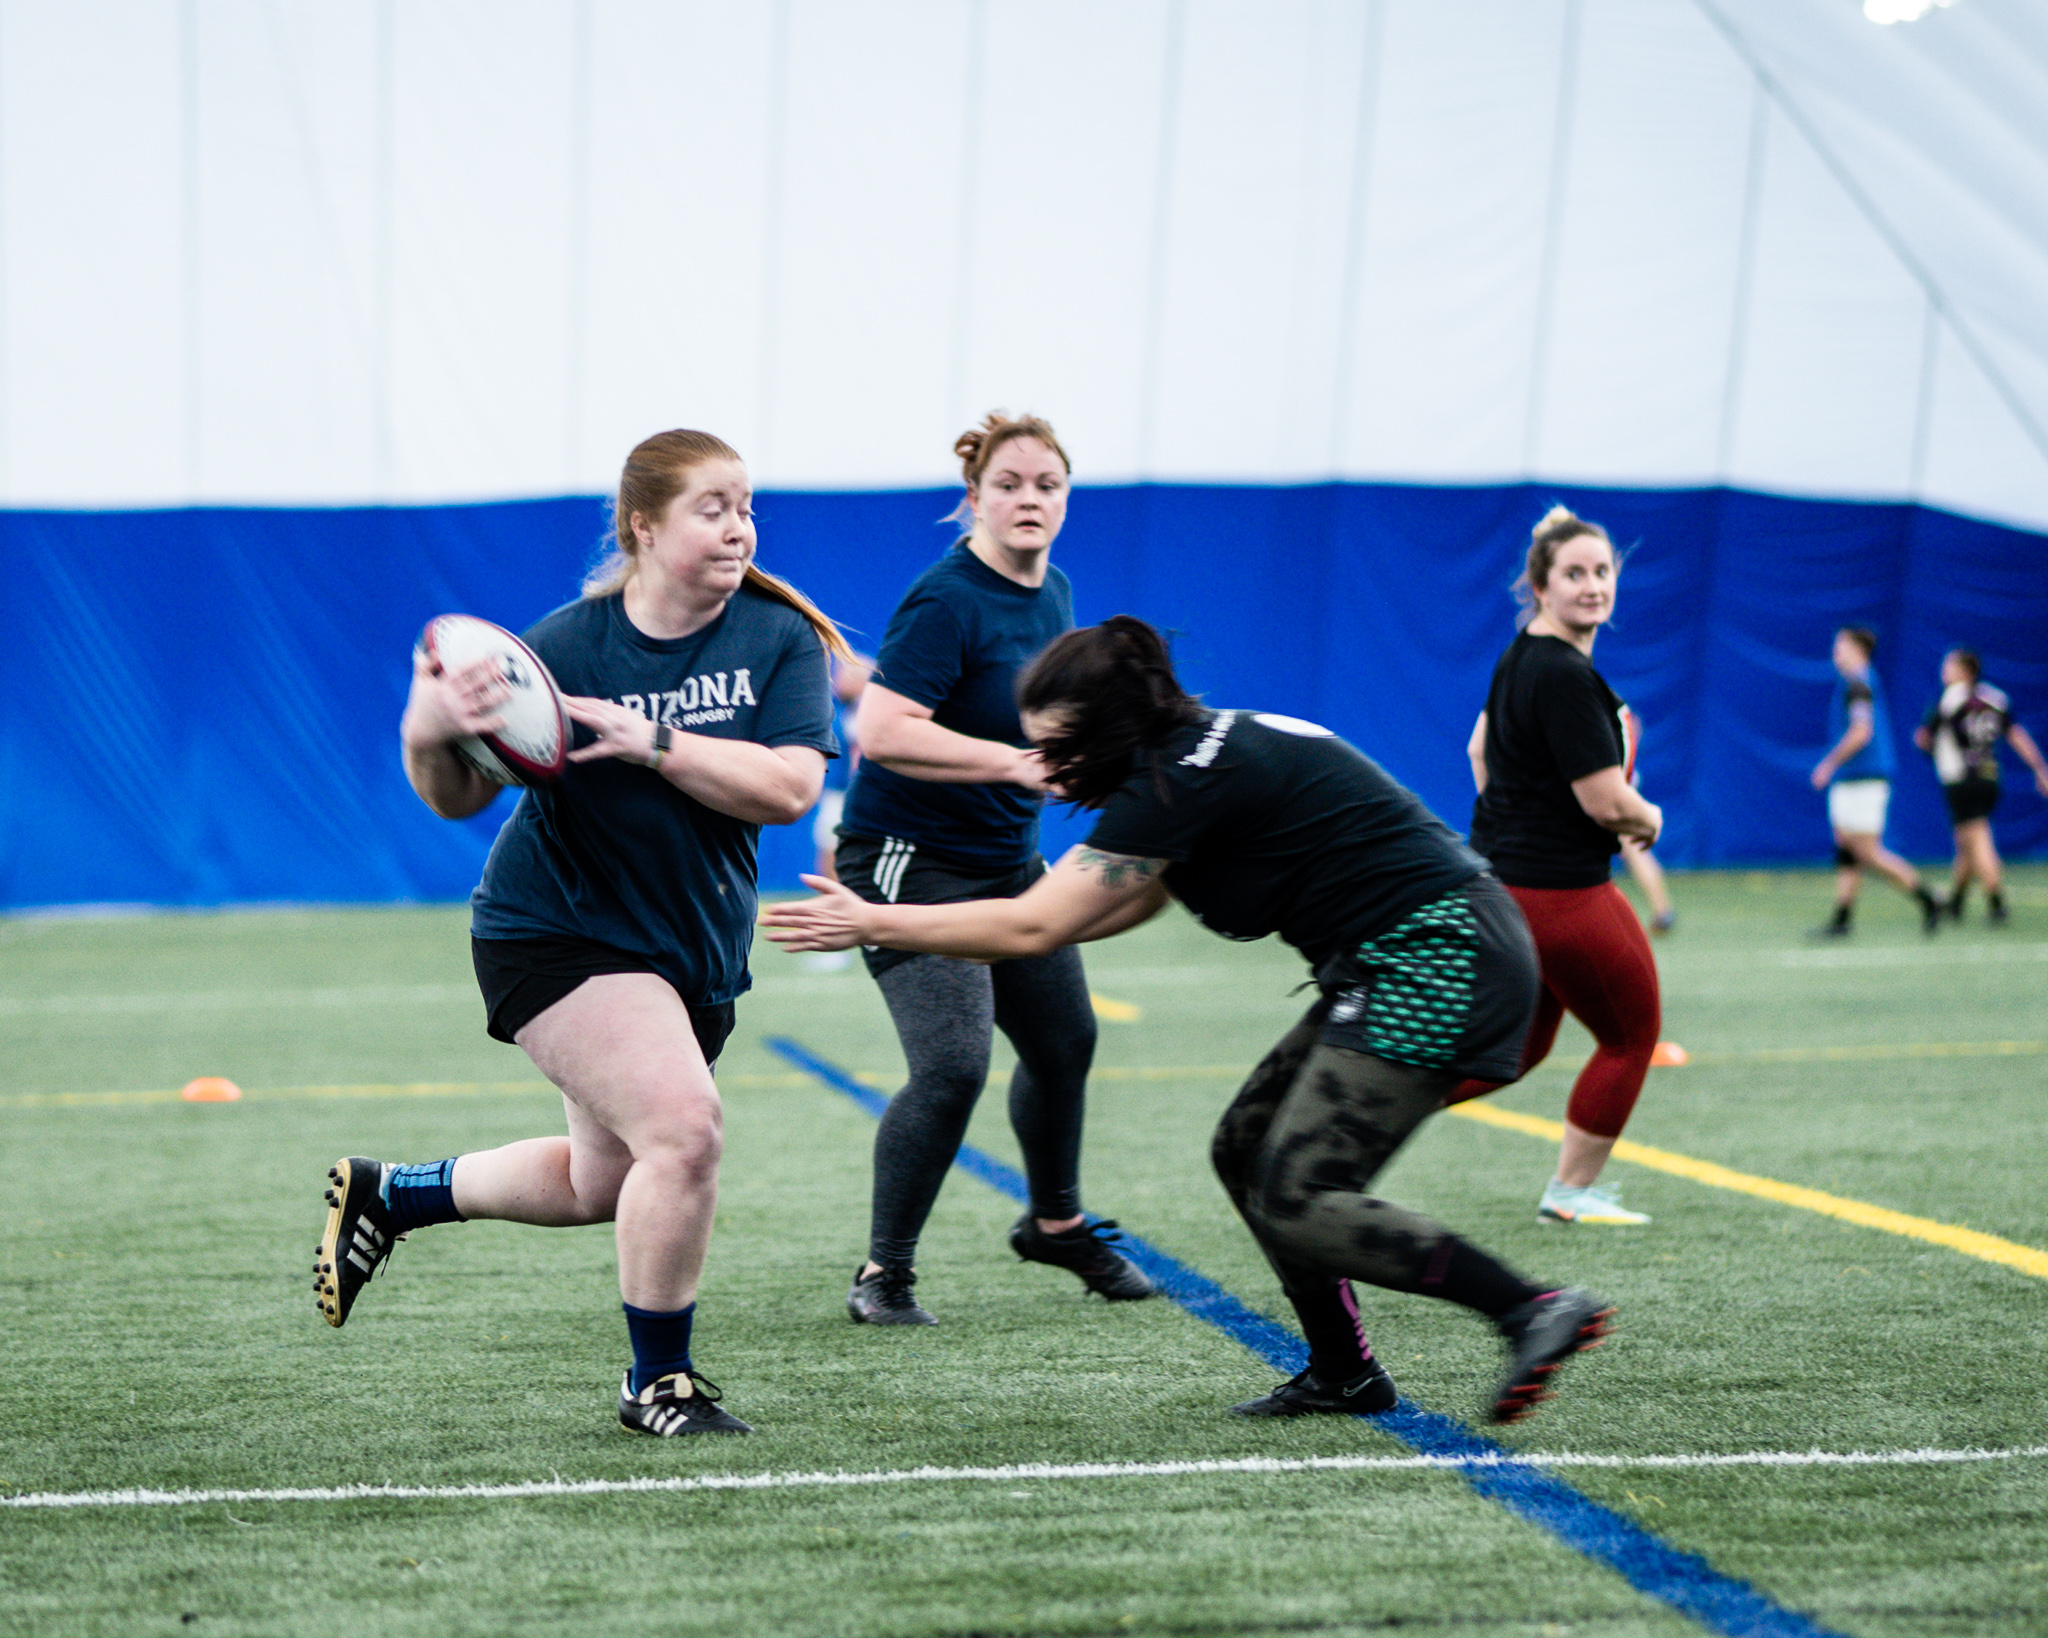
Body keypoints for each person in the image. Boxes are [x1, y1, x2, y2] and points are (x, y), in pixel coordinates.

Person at [765, 617, 1613, 1427]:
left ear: (1111, 731)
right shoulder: (1192, 753)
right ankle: (1344, 1370)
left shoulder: (1173, 779)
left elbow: (1036, 924)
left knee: (1300, 1193)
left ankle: (1530, 1307)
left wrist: (876, 920)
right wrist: (1003, 931)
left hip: (1440, 955)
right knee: (1245, 1150)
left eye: (1058, 748)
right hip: (1417, 949)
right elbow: (1113, 902)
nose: (1044, 769)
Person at [313, 429, 848, 1437]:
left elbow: (787, 789)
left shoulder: (776, 637)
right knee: (684, 1131)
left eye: (745, 507)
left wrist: (651, 740)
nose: (738, 527)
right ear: (642, 526)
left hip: (688, 949)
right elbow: (455, 795)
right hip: (555, 929)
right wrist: (428, 730)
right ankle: (658, 1385)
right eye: (712, 508)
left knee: (603, 1181)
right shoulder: (560, 646)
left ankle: (396, 1195)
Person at [830, 412, 1151, 1325]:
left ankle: (1056, 1225)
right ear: (975, 498)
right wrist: (1012, 763)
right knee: (953, 1065)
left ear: (1067, 499)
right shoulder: (947, 600)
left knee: (1065, 1041)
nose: (1028, 500)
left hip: (1008, 859)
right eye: (1008, 484)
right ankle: (883, 1275)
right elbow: (882, 730)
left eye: (1047, 485)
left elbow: (1045, 727)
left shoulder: (1055, 592)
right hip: (907, 860)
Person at [1452, 506, 1662, 1228]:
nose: (1593, 585)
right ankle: (1570, 1195)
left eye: (1602, 571)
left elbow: (1478, 751)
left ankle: (1361, 1117)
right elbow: (1606, 803)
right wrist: (1652, 818)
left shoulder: (1522, 655)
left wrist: (1512, 829)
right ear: (1540, 586)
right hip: (1562, 893)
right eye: (1575, 574)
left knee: (1515, 1051)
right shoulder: (1565, 675)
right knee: (1630, 1037)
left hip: (1505, 883)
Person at [1811, 627, 1941, 938]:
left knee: (1868, 853)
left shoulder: (1860, 683)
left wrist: (1829, 763)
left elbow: (1861, 731)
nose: (1835, 650)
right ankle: (1842, 918)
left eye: (1841, 644)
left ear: (1858, 649)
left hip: (1865, 778)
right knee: (1846, 848)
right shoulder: (1850, 682)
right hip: (1850, 778)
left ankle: (1928, 898)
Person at [1914, 647, 2048, 925]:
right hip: (1989, 777)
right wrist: (2039, 768)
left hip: (1961, 779)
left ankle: (1996, 901)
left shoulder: (1950, 698)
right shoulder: (1995, 698)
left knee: (1977, 837)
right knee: (1966, 841)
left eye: (1950, 665)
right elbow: (2016, 735)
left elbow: (1924, 737)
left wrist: (1934, 751)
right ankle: (1956, 902)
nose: (1944, 670)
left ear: (1965, 670)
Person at [1618, 709, 1676, 934]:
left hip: (1610, 785)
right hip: (1613, 783)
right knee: (1633, 847)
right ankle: (1662, 910)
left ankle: (1662, 910)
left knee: (1634, 847)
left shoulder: (1594, 700)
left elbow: (1632, 725)